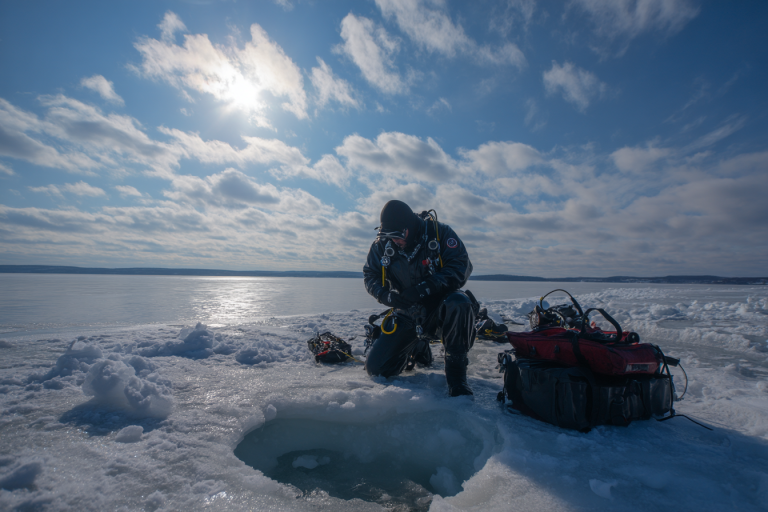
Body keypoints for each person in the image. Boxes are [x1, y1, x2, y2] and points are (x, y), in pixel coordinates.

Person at [363, 200, 478, 396]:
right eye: (388, 236)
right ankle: (418, 345)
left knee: (460, 303)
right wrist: (387, 296)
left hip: (441, 309)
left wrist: (425, 288)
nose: (393, 241)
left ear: (409, 227)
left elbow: (460, 266)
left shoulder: (440, 234)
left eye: (398, 236)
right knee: (377, 369)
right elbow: (370, 275)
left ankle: (457, 379)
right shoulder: (382, 245)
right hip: (407, 311)